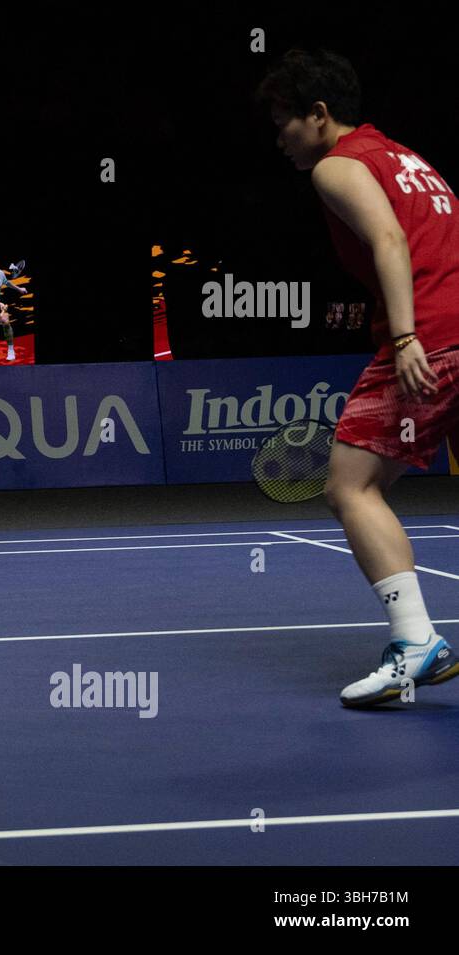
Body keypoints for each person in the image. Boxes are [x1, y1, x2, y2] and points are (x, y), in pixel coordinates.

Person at [257, 48, 459, 706]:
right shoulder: (408, 157)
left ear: (319, 116)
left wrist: (405, 336)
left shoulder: (339, 166)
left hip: (431, 334)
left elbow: (390, 242)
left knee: (350, 485)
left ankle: (415, 642)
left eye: (285, 121)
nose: (280, 137)